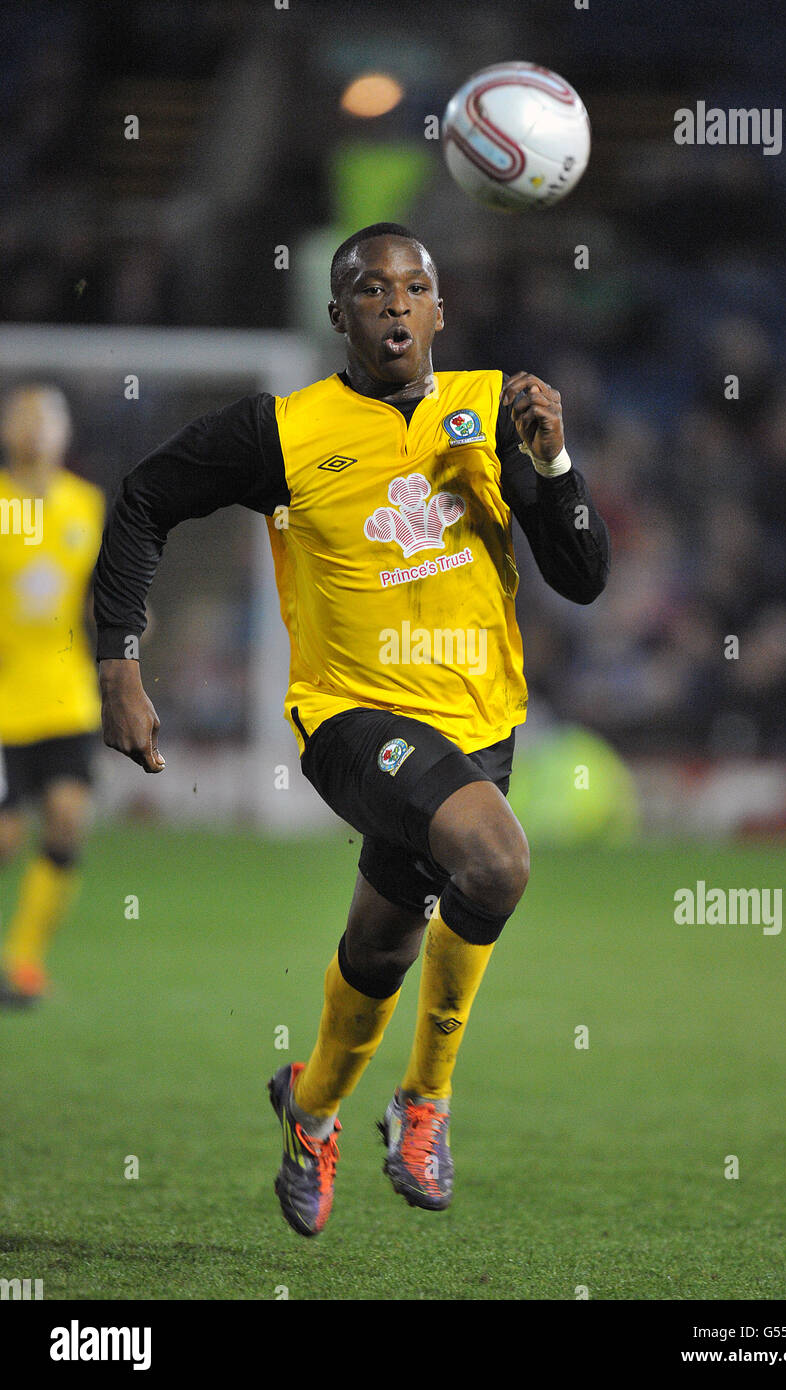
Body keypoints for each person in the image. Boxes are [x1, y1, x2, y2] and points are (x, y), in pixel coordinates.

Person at [93, 223, 610, 1236]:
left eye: (415, 286)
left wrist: (552, 466)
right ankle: (423, 1103)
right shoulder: (281, 431)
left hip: (479, 724)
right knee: (497, 864)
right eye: (370, 290)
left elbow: (583, 579)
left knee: (380, 948)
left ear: (440, 309)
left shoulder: (491, 409)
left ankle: (314, 1109)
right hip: (351, 717)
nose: (394, 304)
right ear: (338, 314)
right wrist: (119, 661)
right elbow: (145, 498)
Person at [0, 385, 104, 1006]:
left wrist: (123, 614)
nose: (37, 431)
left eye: (48, 421)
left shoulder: (85, 506)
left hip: (66, 695)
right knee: (6, 838)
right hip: (4, 700)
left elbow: (102, 587)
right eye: (25, 418)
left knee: (68, 816)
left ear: (64, 434)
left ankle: (25, 963)